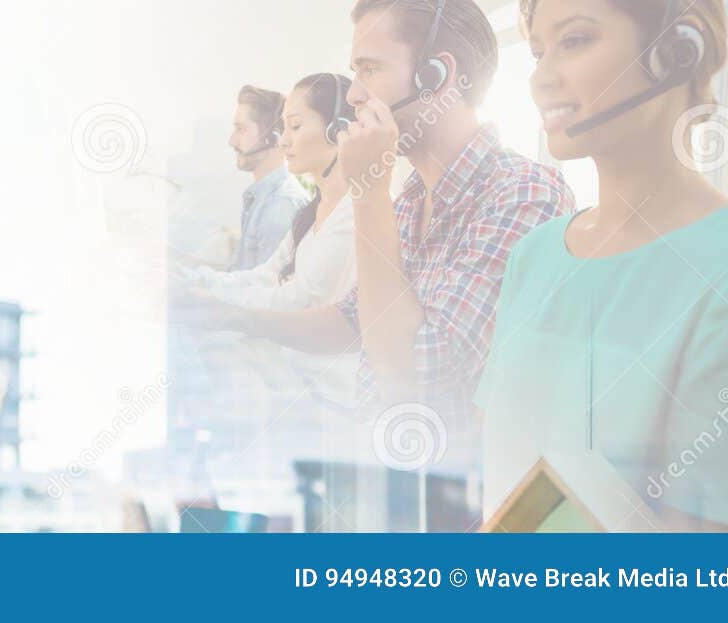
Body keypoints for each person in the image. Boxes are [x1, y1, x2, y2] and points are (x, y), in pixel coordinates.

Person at [208, 0, 575, 472]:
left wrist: (366, 192)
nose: (355, 96)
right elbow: (351, 320)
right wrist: (230, 316)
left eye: (370, 70)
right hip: (374, 471)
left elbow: (415, 379)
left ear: (436, 76)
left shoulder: (522, 195)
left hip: (445, 505)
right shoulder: (407, 199)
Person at [478, 0, 728, 531]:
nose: (540, 79)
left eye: (576, 40)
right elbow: (499, 479)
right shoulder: (532, 256)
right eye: (538, 51)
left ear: (678, 51)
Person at [176, 73, 362, 409]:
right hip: (288, 376)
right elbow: (265, 275)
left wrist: (216, 305)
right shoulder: (312, 211)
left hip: (325, 397)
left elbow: (300, 299)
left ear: (337, 129)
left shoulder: (355, 213)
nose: (283, 141)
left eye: (295, 127)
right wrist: (196, 283)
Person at [223, 85, 308, 272]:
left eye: (241, 129)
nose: (232, 141)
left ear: (274, 139)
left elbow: (263, 295)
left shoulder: (279, 207)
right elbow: (241, 275)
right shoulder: (263, 198)